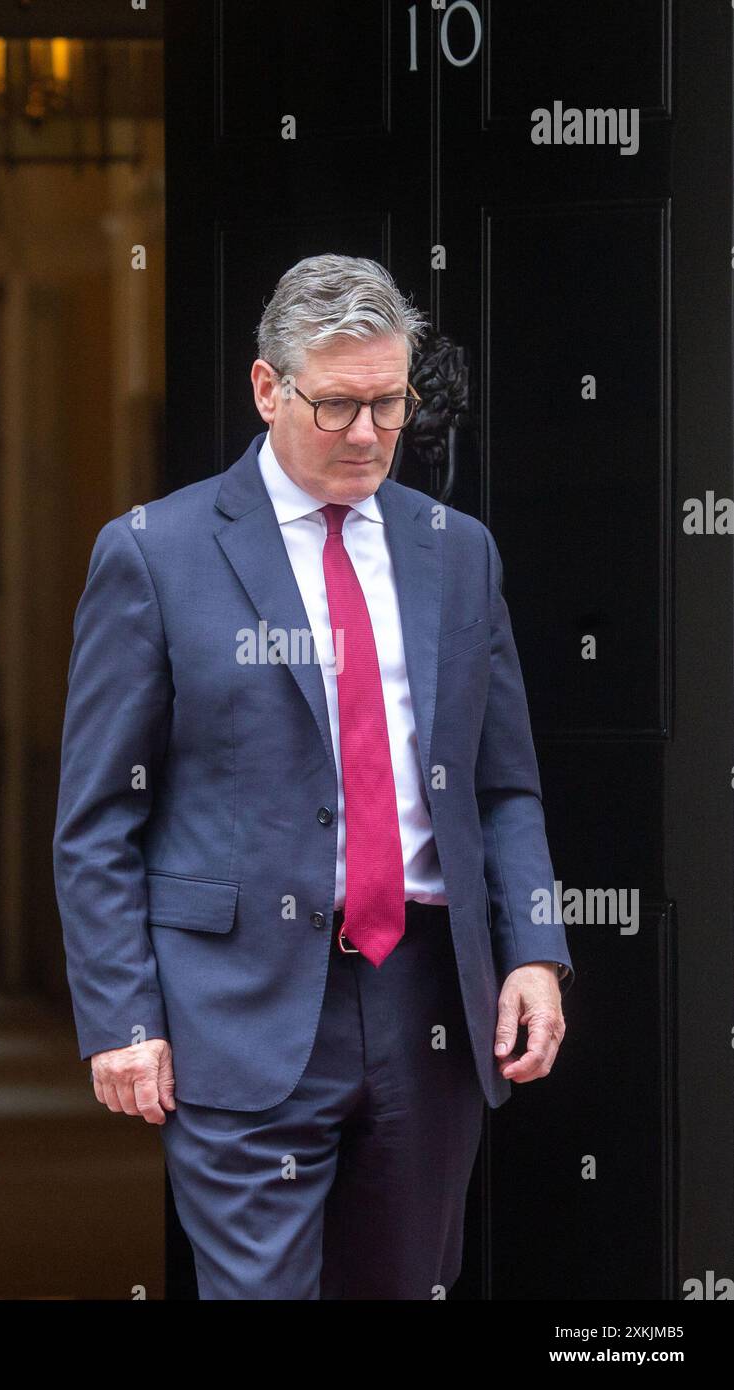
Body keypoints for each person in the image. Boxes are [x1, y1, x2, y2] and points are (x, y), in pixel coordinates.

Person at [53, 253, 574, 1300]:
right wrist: (123, 1019)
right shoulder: (156, 554)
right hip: (234, 1009)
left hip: (429, 998)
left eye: (389, 403)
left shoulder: (457, 552)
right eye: (338, 406)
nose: (370, 435)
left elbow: (501, 783)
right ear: (266, 388)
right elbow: (98, 819)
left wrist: (532, 951)